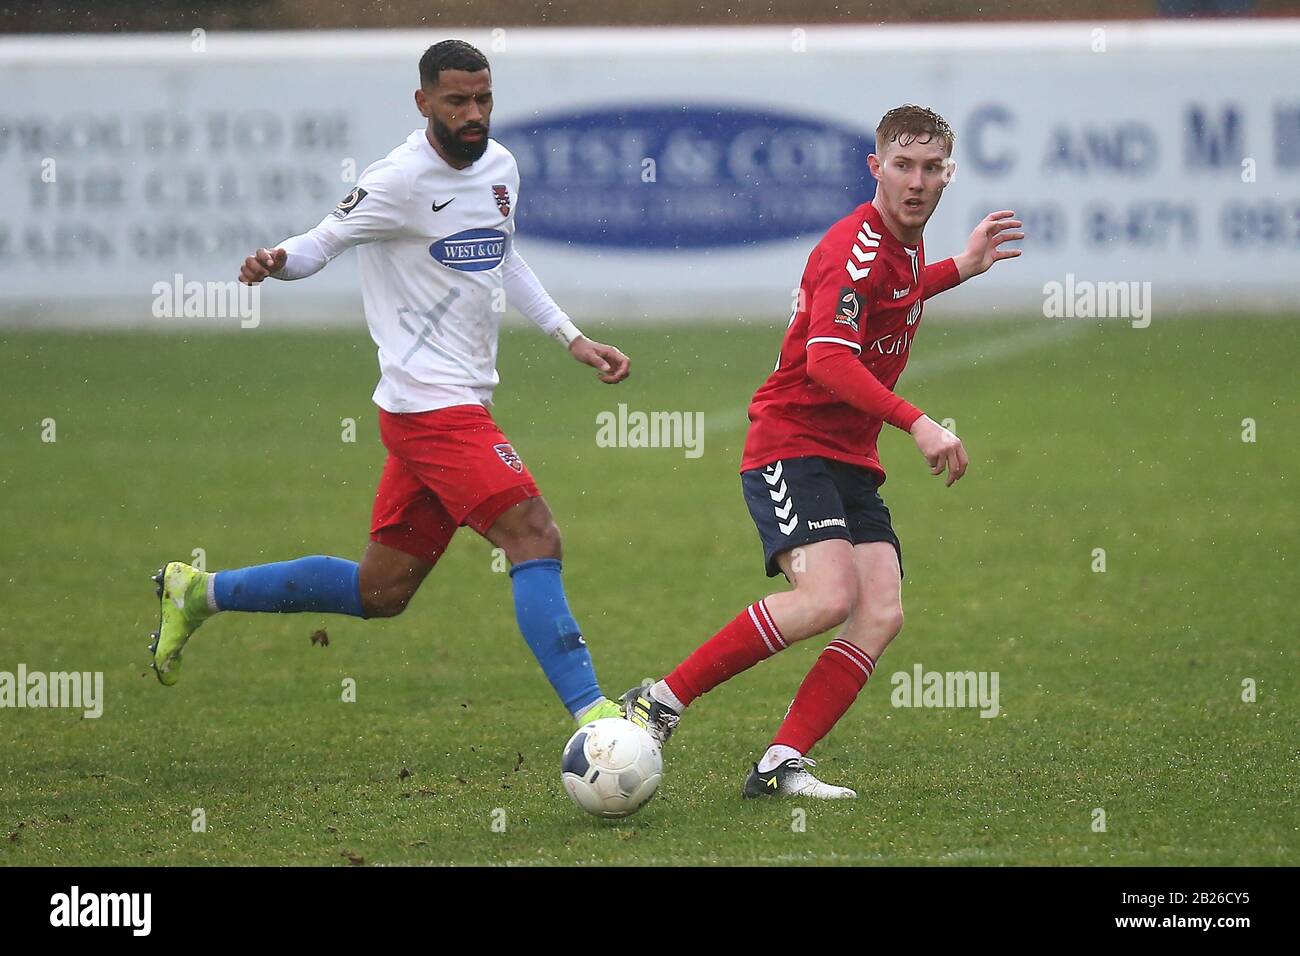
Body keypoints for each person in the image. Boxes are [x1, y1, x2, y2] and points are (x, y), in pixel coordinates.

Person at [149, 39, 630, 728]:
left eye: (483, 99)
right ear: (423, 101)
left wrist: (571, 337)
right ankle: (596, 719)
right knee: (535, 537)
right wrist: (276, 260)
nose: (473, 113)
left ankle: (200, 591)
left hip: (451, 405)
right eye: (457, 101)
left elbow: (504, 255)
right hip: (430, 409)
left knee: (382, 590)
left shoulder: (500, 167)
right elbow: (321, 242)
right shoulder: (398, 181)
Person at [623, 105, 1024, 797]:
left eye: (931, 168)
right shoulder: (854, 245)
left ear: (948, 175)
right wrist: (920, 423)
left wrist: (961, 266)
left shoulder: (902, 246)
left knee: (881, 611)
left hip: (847, 459)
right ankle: (659, 701)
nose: (917, 181)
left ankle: (781, 764)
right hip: (791, 447)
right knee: (827, 597)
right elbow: (827, 363)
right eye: (903, 166)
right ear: (876, 168)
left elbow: (893, 295)